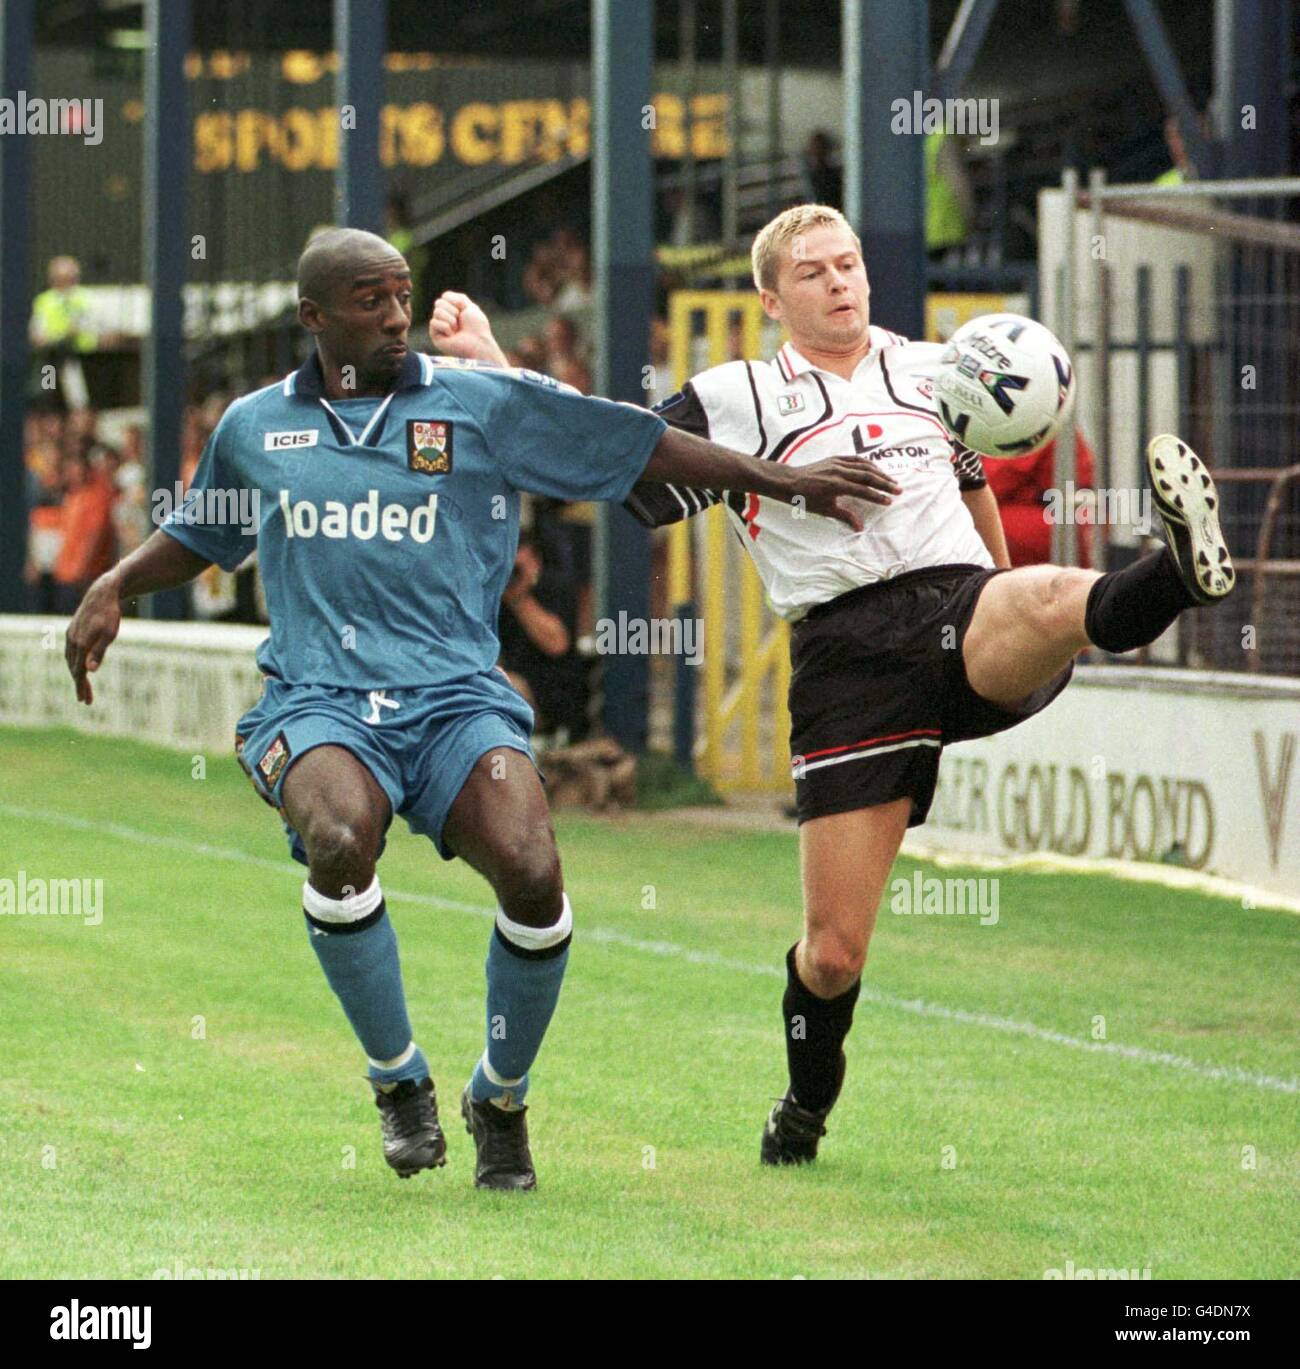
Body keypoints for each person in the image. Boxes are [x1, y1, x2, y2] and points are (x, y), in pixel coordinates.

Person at [65, 229, 894, 1193]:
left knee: (535, 872)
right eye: (369, 300)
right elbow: (203, 531)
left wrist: (783, 477)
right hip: (320, 699)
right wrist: (117, 582)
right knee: (339, 837)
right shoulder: (255, 426)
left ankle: (498, 1096)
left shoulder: (479, 402)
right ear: (313, 318)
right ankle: (398, 1082)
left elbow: (632, 441)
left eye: (401, 295)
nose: (393, 315)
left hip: (457, 696)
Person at [430, 203, 1236, 1168]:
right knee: (833, 952)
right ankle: (804, 1111)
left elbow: (973, 472)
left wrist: (997, 581)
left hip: (958, 607)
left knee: (1056, 594)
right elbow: (600, 449)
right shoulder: (736, 398)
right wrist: (486, 358)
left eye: (849, 262)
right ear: (772, 298)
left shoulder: (936, 368)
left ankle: (1178, 572)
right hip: (846, 659)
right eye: (812, 271)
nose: (841, 281)